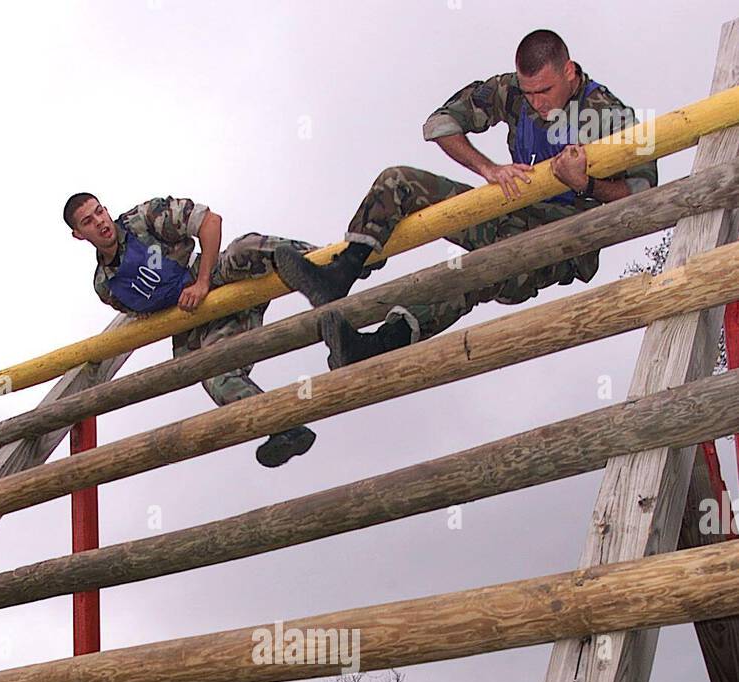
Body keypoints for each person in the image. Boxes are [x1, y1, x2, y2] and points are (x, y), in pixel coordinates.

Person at [272, 28, 657, 368]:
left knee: (475, 271)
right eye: (529, 92)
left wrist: (585, 184)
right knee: (399, 180)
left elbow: (645, 196)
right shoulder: (511, 92)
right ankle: (339, 274)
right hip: (512, 210)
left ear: (569, 71)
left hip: (564, 241)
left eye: (545, 91)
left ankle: (376, 345)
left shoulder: (607, 113)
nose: (537, 102)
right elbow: (439, 123)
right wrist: (488, 169)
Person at [64, 191, 320, 468]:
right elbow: (146, 317)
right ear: (79, 234)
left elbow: (211, 222)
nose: (100, 222)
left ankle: (332, 262)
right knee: (216, 375)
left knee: (244, 248)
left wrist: (202, 282)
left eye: (99, 212)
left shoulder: (143, 219)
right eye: (88, 221)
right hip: (201, 322)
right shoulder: (106, 285)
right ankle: (285, 428)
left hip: (215, 279)